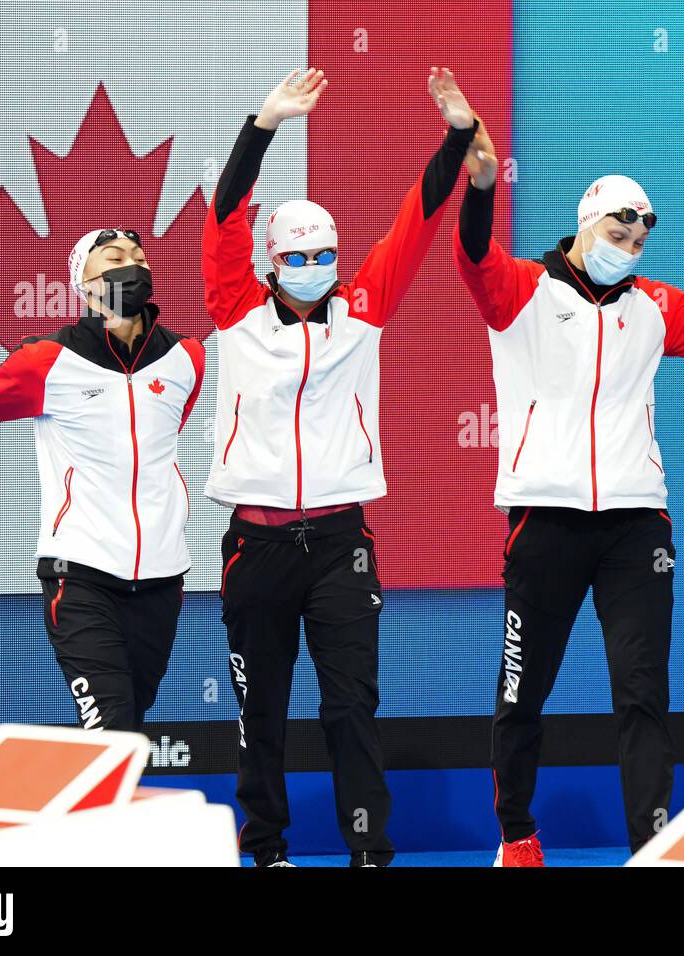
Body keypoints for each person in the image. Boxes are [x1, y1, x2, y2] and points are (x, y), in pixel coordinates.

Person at [453, 119, 684, 865]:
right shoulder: (522, 292)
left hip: (636, 524)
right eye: (619, 228)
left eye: (640, 237)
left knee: (642, 693)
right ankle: (515, 833)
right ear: (584, 222)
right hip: (545, 518)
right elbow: (473, 256)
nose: (631, 244)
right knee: (522, 690)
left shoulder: (655, 307)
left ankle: (653, 844)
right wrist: (477, 185)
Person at [202, 66, 481, 868]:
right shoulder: (234, 312)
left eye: (327, 252)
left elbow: (417, 220)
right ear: (272, 261)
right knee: (262, 709)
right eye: (300, 255)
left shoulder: (363, 312)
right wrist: (264, 124)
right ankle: (267, 852)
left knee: (351, 705)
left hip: (338, 542)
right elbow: (224, 216)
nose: (318, 264)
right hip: (255, 544)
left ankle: (368, 850)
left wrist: (456, 136)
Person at [0, 229, 206, 732]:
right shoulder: (45, 360)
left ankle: (94, 812)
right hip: (81, 574)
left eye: (139, 258)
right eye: (115, 259)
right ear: (86, 285)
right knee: (112, 731)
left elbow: (161, 436)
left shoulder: (186, 357)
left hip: (164, 577)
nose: (133, 267)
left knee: (130, 729)